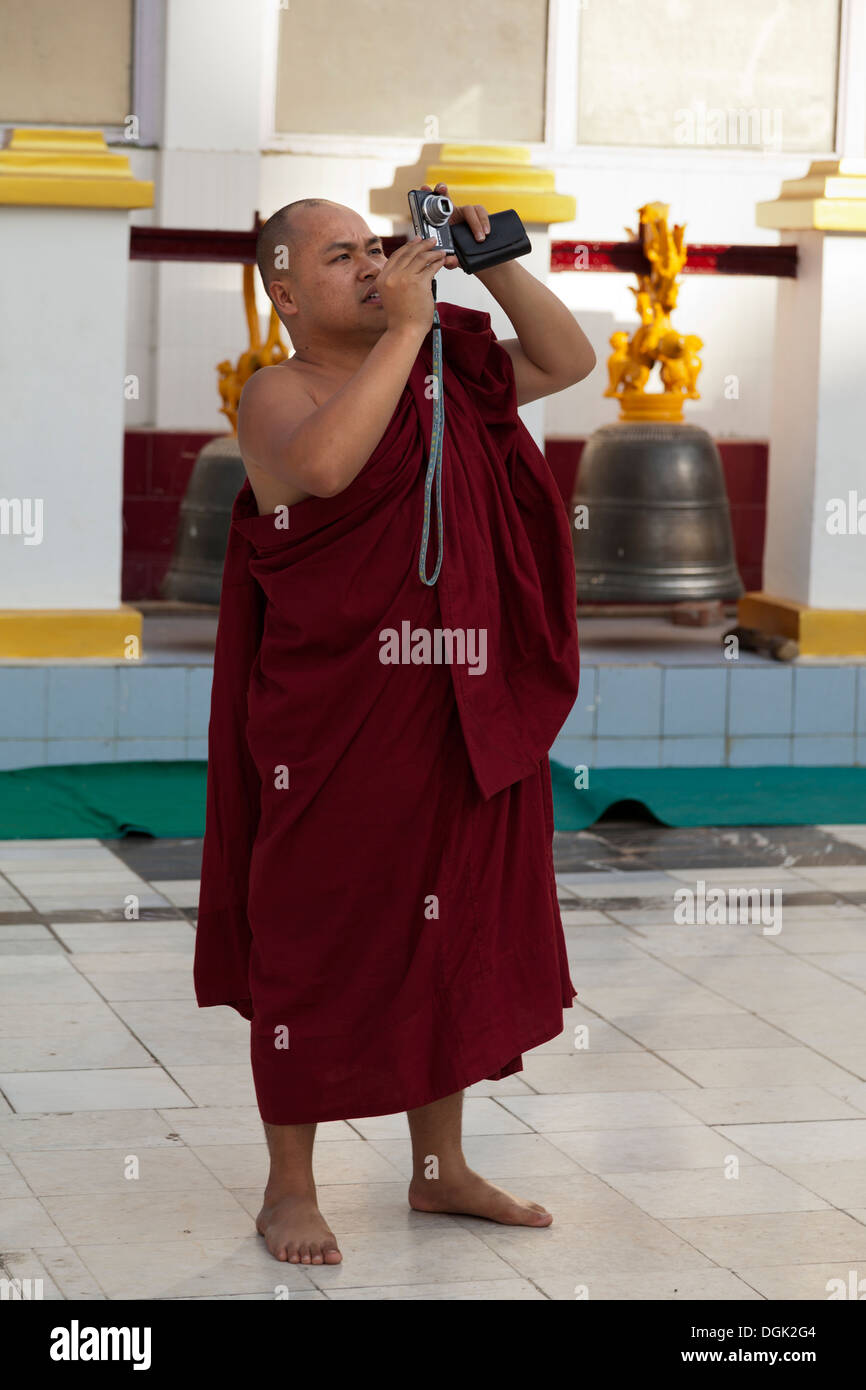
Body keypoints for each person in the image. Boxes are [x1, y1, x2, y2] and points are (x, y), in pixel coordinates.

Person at [194, 184, 596, 1266]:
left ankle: (439, 1169)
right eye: (340, 257)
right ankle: (289, 1184)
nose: (372, 264)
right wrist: (408, 330)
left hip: (457, 703)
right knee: (315, 931)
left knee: (447, 930)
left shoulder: (446, 374)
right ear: (281, 286)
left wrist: (491, 258)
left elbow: (565, 361)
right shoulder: (276, 391)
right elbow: (321, 470)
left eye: (378, 246)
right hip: (335, 718)